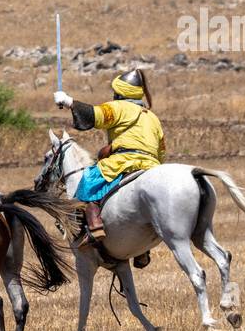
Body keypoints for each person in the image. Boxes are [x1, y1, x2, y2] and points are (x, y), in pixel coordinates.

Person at [53, 68, 165, 248]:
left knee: (88, 180)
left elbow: (94, 115)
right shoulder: (153, 117)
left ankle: (94, 227)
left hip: (125, 160)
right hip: (151, 165)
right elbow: (161, 152)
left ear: (121, 92)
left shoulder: (119, 107)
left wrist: (68, 101)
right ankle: (143, 251)